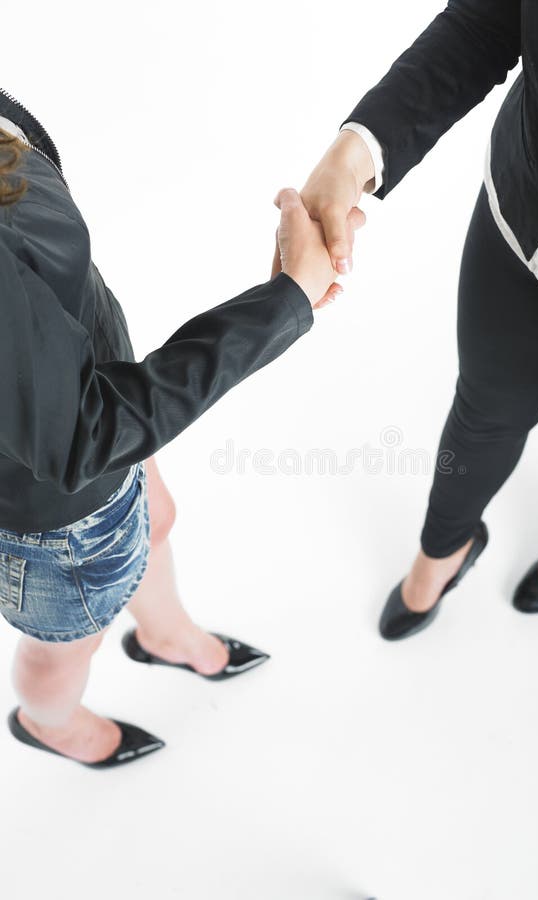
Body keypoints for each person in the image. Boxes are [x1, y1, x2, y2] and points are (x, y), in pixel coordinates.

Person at [0, 92, 363, 767]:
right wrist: (285, 303)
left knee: (157, 520)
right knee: (66, 645)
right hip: (56, 512)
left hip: (103, 400)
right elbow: (78, 439)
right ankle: (46, 721)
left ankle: (166, 638)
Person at [293, 0, 538, 640]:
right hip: (525, 212)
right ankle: (443, 548)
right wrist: (355, 152)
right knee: (486, 406)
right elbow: (485, 23)